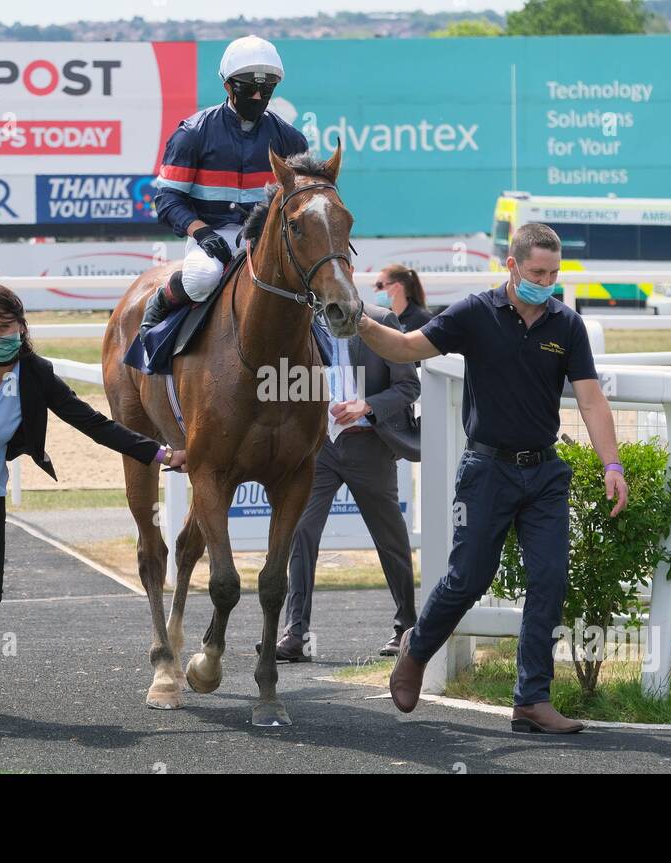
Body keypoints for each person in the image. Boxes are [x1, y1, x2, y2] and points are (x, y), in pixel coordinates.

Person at [355, 223, 630, 735]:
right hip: (487, 471)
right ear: (511, 265)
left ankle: (531, 700)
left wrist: (612, 465)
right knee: (468, 578)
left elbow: (591, 399)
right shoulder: (473, 313)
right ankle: (416, 649)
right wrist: (358, 322)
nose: (545, 282)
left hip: (545, 472)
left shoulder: (566, 325)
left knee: (549, 579)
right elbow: (406, 347)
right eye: (536, 273)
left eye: (553, 273)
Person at [0, 283, 187, 723]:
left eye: (6, 327)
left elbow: (93, 423)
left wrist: (161, 453)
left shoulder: (36, 374)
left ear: (22, 326)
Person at [269, 302, 422, 661]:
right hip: (319, 447)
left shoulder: (382, 321)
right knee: (301, 532)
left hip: (369, 445)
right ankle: (296, 634)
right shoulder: (301, 322)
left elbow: (408, 386)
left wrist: (365, 405)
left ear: (348, 273)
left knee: (390, 537)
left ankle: (407, 627)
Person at [140, 35, 309, 336]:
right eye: (249, 88)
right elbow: (167, 199)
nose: (258, 97)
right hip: (211, 234)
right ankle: (161, 302)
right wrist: (201, 232)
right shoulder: (192, 134)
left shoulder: (290, 139)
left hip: (266, 238)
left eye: (266, 88)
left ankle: (334, 356)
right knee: (202, 278)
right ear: (228, 86)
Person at [374, 264, 433, 335]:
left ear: (396, 287)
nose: (375, 290)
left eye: (379, 285)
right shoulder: (382, 317)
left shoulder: (423, 319)